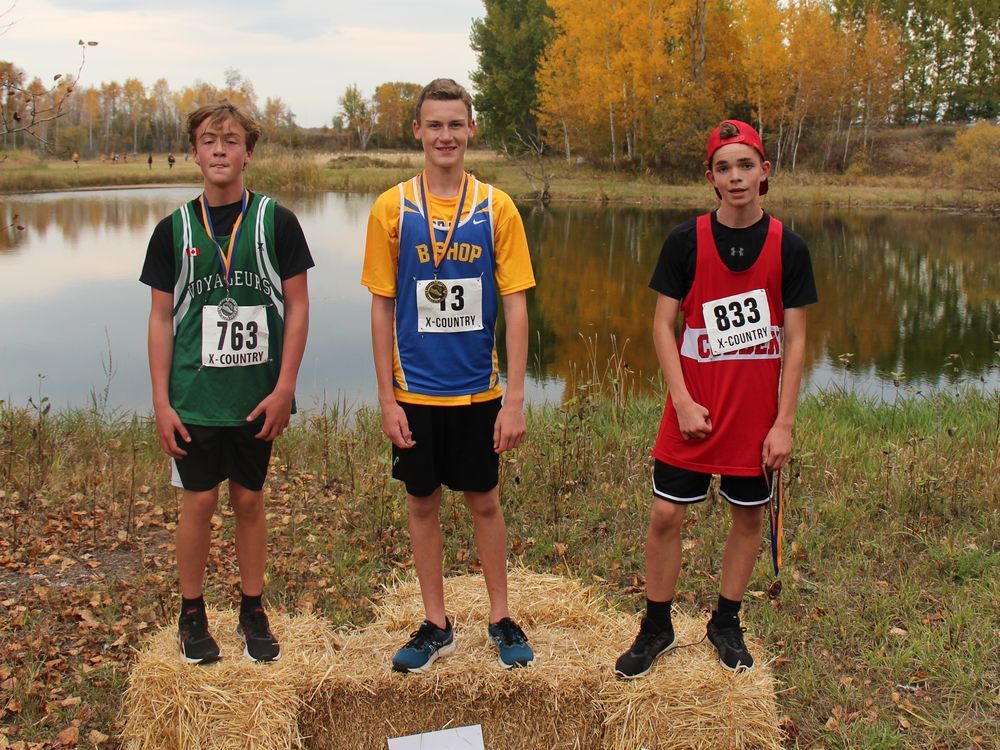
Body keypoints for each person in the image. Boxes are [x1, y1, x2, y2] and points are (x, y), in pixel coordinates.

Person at [614, 120, 817, 678]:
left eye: (745, 165)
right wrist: (679, 399)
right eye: (723, 167)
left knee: (748, 515)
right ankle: (656, 626)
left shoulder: (788, 247)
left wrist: (784, 424)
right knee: (664, 513)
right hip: (694, 409)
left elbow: (796, 340)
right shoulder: (685, 241)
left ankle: (726, 621)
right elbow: (662, 326)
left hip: (755, 417)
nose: (735, 177)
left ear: (764, 171)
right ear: (710, 177)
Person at [361, 78, 536, 673]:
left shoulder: (496, 207)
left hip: (479, 391)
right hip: (414, 392)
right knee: (423, 503)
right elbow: (382, 305)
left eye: (455, 124)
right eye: (434, 125)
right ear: (417, 131)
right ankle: (436, 624)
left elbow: (515, 304)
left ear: (470, 129)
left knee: (484, 500)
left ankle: (500, 616)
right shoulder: (392, 207)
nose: (445, 135)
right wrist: (386, 398)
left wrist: (514, 399)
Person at [139, 101, 313, 665]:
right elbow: (161, 318)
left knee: (249, 499)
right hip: (194, 397)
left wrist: (286, 386)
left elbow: (299, 305)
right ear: (193, 152)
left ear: (248, 153)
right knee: (198, 501)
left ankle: (252, 608)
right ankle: (192, 614)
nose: (220, 149)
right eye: (209, 140)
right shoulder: (172, 230)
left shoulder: (275, 223)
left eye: (231, 140)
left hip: (256, 397)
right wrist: (161, 402)